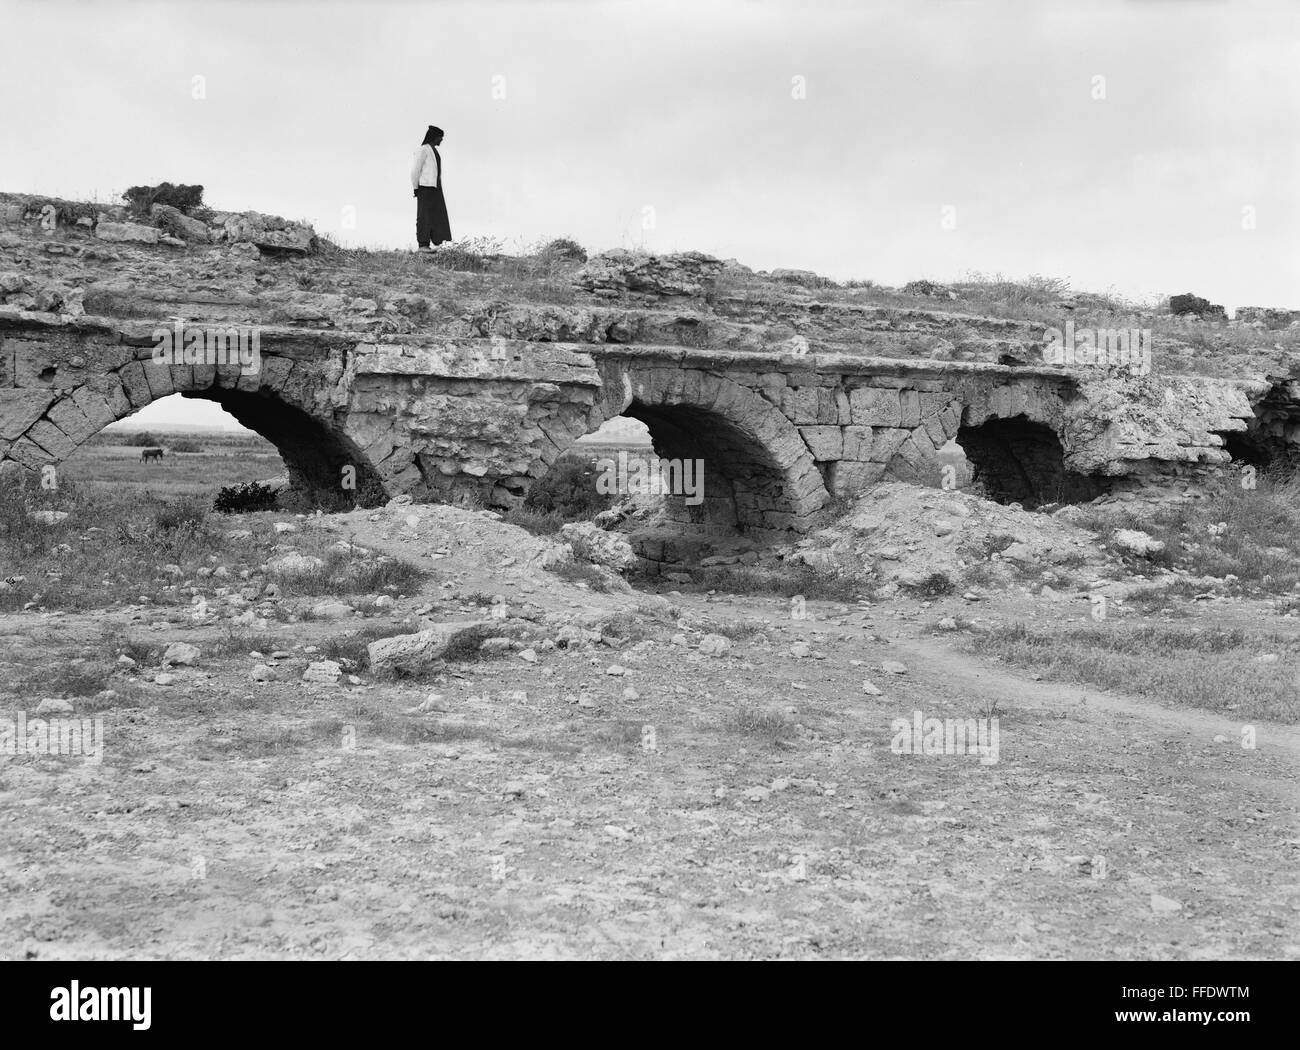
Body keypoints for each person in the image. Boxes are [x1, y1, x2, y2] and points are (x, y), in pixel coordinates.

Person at [411, 125, 451, 250]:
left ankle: (434, 242)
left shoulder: (434, 150)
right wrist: (416, 187)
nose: (442, 140)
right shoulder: (423, 150)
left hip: (435, 188)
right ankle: (423, 244)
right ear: (435, 137)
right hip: (425, 187)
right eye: (440, 137)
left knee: (435, 215)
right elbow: (415, 171)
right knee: (424, 215)